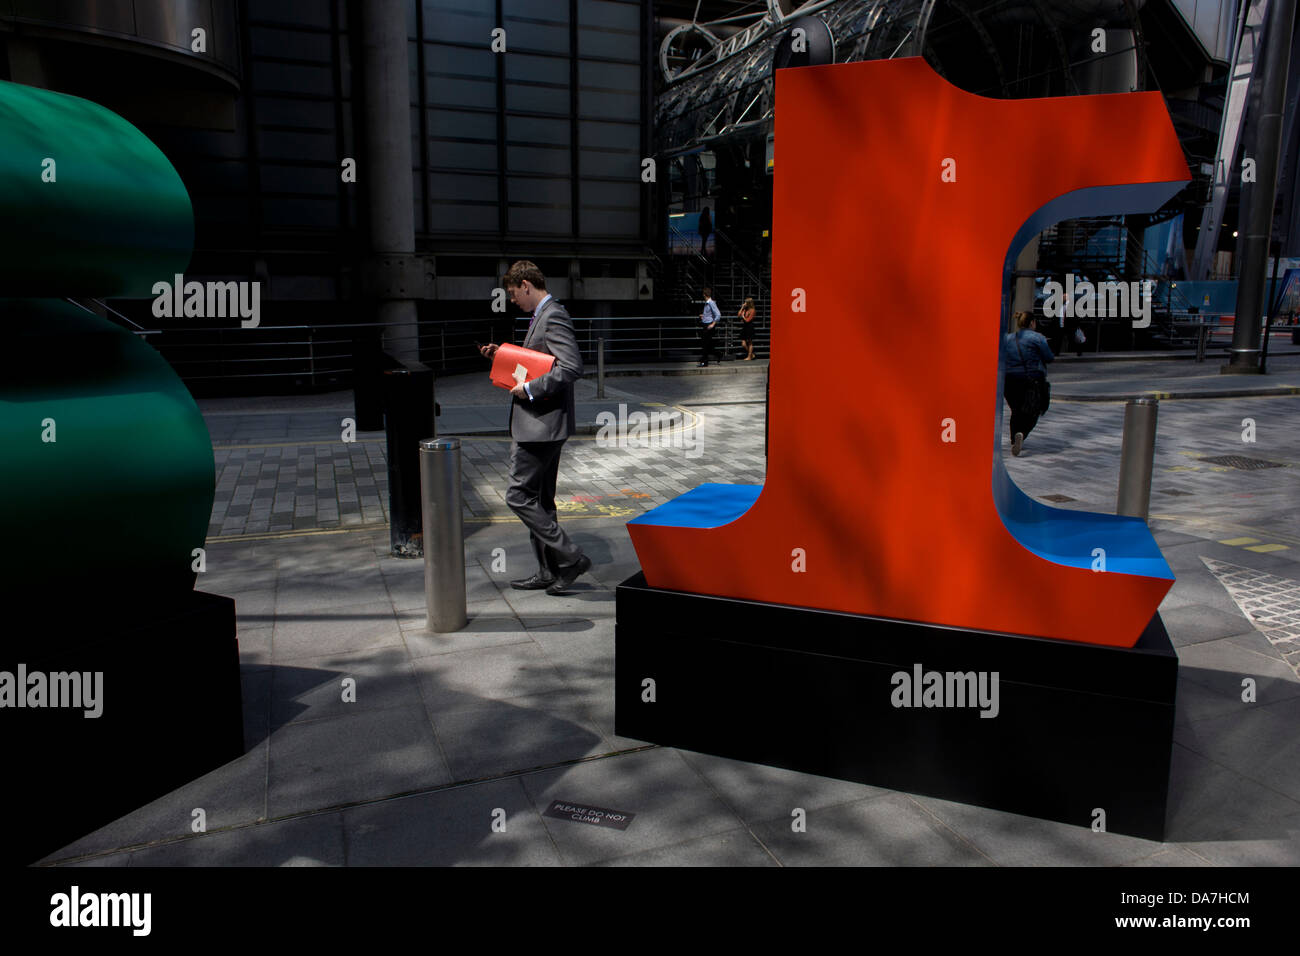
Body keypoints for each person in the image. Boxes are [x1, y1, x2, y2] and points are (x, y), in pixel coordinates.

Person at [478, 261, 591, 594]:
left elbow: (571, 367)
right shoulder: (541, 315)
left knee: (517, 496)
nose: (512, 300)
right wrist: (502, 356)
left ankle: (571, 557)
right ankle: (548, 571)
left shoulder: (553, 315)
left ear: (526, 285)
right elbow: (539, 362)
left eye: (514, 294)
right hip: (544, 424)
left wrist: (529, 389)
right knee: (541, 501)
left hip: (540, 426)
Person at [1001, 310, 1054, 457]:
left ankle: (1014, 439)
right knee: (1033, 411)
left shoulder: (1007, 338)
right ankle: (1021, 433)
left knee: (1016, 410)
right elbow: (1049, 357)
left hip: (1009, 380)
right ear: (1032, 323)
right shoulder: (1037, 338)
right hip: (1030, 380)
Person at [698, 287, 721, 367]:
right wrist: (703, 316)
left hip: (708, 325)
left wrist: (713, 324)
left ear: (704, 294)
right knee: (707, 344)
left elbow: (718, 314)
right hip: (705, 324)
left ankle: (704, 362)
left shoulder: (711, 303)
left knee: (705, 344)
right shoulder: (708, 303)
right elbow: (710, 314)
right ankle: (718, 354)